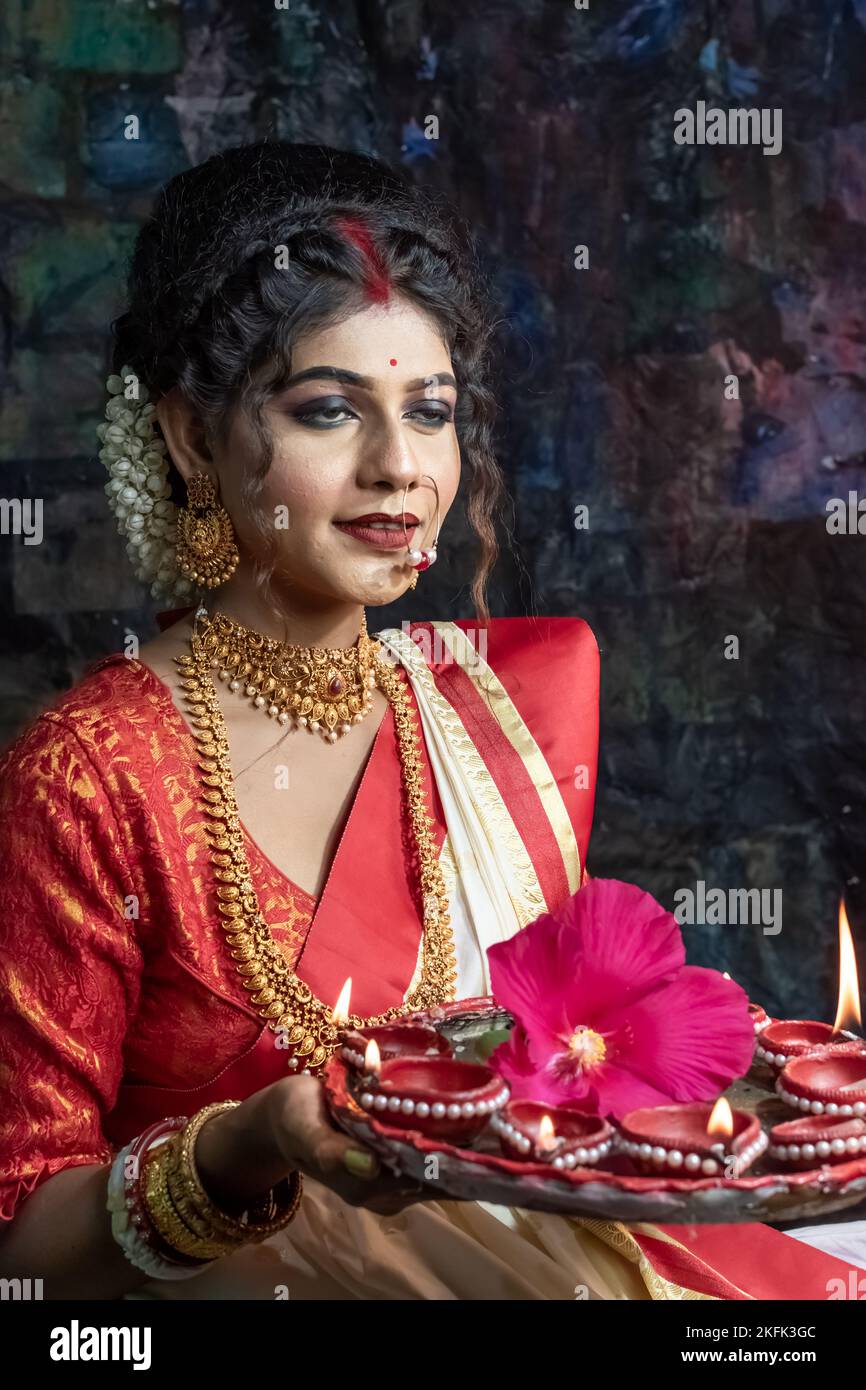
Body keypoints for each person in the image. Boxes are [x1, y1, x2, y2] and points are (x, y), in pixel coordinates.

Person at [0, 142, 860, 1300]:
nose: (399, 468)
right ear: (192, 437)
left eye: (431, 410)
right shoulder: (91, 779)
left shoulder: (496, 713)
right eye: (326, 412)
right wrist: (241, 1145)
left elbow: (545, 1096)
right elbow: (21, 1250)